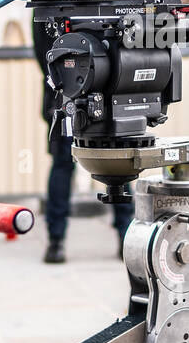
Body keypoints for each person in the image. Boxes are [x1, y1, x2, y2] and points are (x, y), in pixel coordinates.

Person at [33, 17, 134, 264]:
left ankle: (57, 242)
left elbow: (44, 54)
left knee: (70, 164)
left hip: (67, 89)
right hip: (102, 89)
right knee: (118, 161)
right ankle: (124, 234)